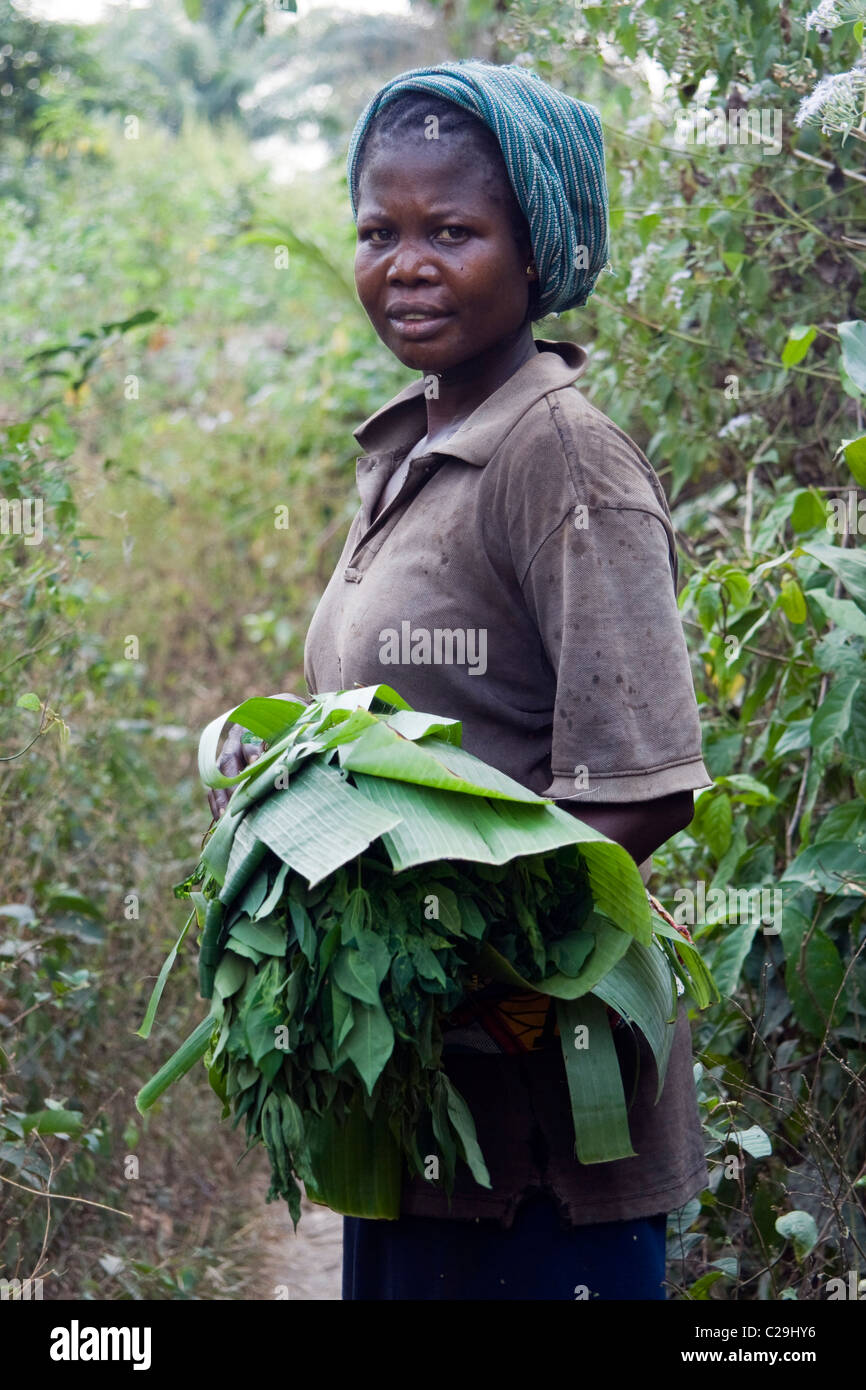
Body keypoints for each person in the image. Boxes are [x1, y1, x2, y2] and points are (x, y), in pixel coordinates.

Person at [209, 58, 713, 1301]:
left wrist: (458, 988)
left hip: (536, 1140)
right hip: (416, 1124)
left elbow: (642, 790)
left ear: (536, 250)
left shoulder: (562, 459)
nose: (406, 262)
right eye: (379, 230)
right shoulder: (412, 445)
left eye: (454, 230)